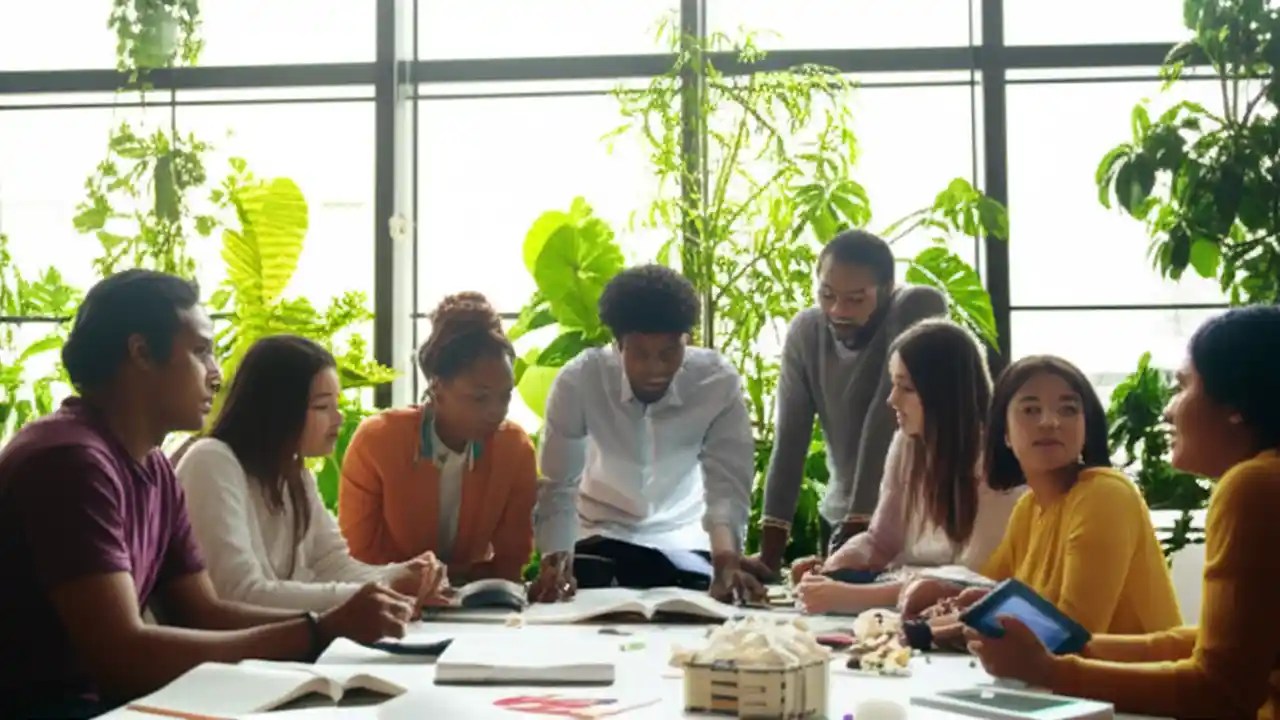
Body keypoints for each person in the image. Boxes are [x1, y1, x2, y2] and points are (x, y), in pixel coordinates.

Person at [0, 271, 412, 720]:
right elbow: (123, 657)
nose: (215, 375)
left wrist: (335, 625)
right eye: (200, 352)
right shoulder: (69, 462)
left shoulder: (154, 467)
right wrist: (318, 630)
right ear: (140, 353)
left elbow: (204, 612)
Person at [967, 307, 1280, 719]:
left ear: (1235, 405)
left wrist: (1050, 669)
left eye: (1183, 387)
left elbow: (1220, 690)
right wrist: (1072, 647)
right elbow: (1216, 644)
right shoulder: (1028, 506)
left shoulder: (1255, 487)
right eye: (1029, 410)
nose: (1168, 410)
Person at [527, 264, 761, 605]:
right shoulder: (579, 381)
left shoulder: (715, 382)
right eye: (639, 354)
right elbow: (560, 483)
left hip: (684, 540)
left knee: (695, 599)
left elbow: (727, 483)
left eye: (669, 353)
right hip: (600, 534)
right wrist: (556, 562)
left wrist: (726, 559)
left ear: (687, 340)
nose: (655, 368)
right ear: (617, 345)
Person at [902, 354, 1181, 638]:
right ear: (1004, 434)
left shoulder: (1106, 495)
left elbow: (1069, 634)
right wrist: (954, 599)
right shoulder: (1028, 508)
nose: (1050, 422)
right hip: (1053, 681)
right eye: (1031, 410)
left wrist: (931, 632)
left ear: (1087, 427)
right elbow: (989, 594)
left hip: (1132, 679)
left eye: (1068, 409)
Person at [175, 335, 447, 612]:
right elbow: (239, 594)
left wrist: (400, 577)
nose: (338, 418)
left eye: (336, 404)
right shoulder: (211, 462)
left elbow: (332, 564)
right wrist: (374, 594)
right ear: (278, 410)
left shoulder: (294, 474)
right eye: (321, 407)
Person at [791, 319, 1025, 614]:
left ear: (943, 394)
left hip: (947, 612)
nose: (892, 399)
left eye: (906, 388)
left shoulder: (998, 463)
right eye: (893, 384)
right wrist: (832, 568)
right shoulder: (906, 444)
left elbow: (968, 579)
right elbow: (880, 541)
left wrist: (847, 596)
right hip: (898, 599)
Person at [756, 229, 948, 578]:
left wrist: (860, 523)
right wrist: (769, 556)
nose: (838, 310)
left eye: (856, 299)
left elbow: (884, 411)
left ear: (888, 289)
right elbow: (790, 440)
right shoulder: (806, 332)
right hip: (842, 519)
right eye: (827, 294)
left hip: (915, 521)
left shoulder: (916, 307)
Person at [339, 292, 536, 584]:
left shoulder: (514, 449)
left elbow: (511, 562)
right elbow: (357, 557)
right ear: (438, 385)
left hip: (474, 608)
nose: (496, 411)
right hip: (388, 601)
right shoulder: (378, 443)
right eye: (480, 398)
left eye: (505, 396)